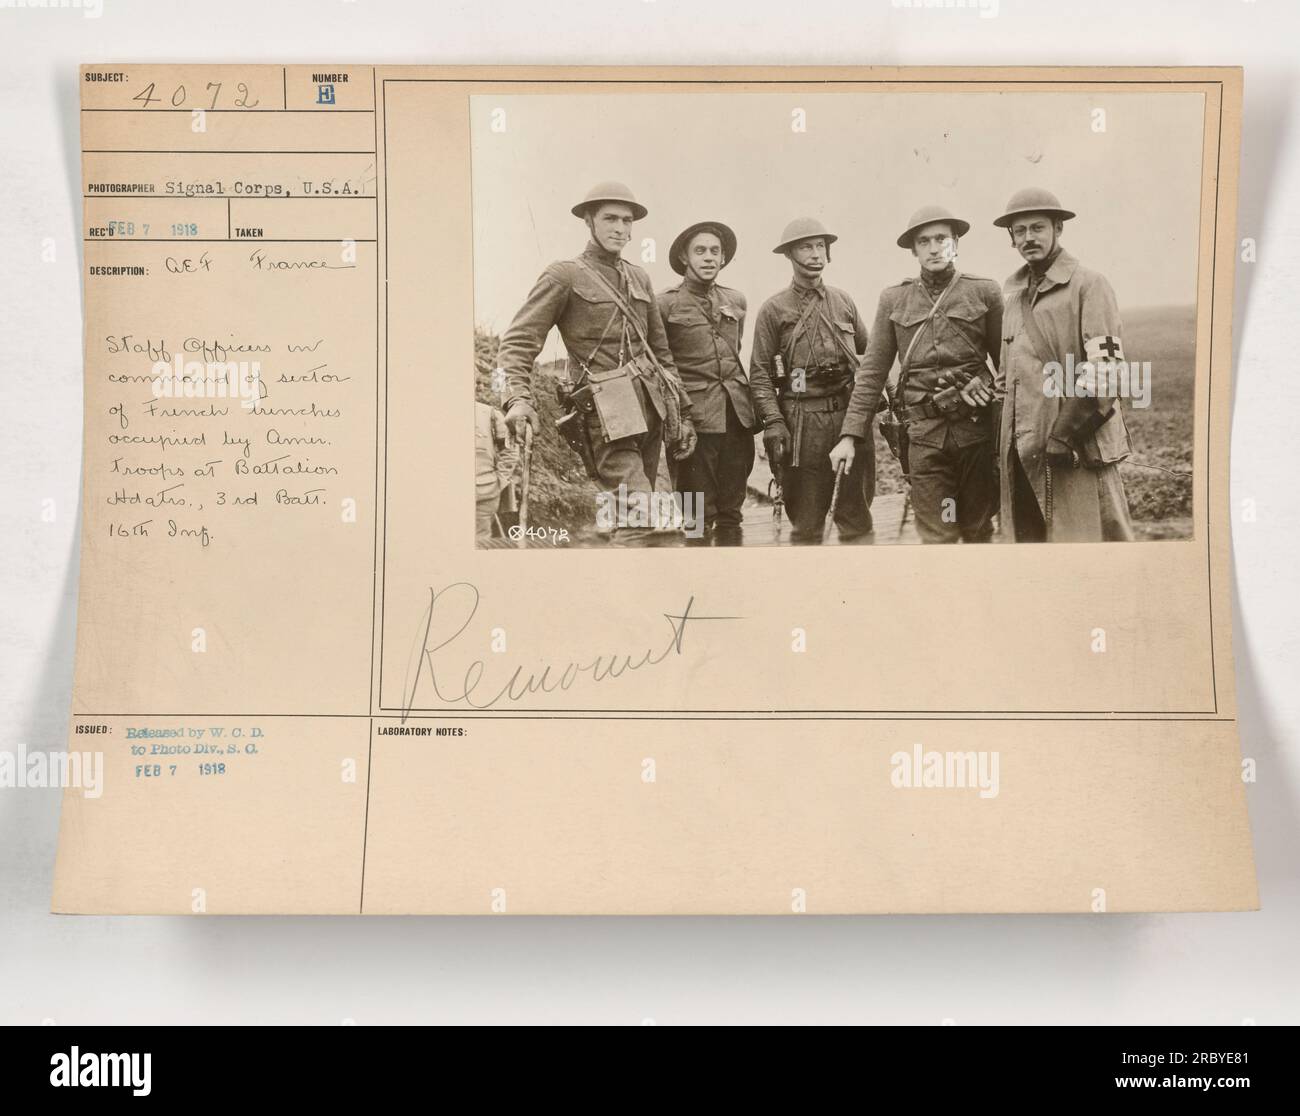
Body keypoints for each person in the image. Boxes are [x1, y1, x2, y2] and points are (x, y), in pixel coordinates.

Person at [496, 181, 697, 544]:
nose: (620, 228)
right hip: (606, 415)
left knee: (650, 519)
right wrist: (517, 398)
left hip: (651, 409)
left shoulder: (639, 276)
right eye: (610, 219)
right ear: (589, 221)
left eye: (627, 220)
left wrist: (684, 412)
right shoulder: (564, 275)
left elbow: (661, 352)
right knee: (639, 518)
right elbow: (517, 342)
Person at [831, 205, 1002, 543]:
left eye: (942, 239)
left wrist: (983, 381)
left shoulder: (985, 291)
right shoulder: (894, 299)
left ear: (956, 243)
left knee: (977, 532)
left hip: (976, 437)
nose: (934, 248)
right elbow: (872, 372)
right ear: (914, 250)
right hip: (924, 438)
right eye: (924, 241)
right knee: (939, 535)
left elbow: (1009, 364)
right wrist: (849, 436)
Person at [992, 187, 1134, 542]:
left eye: (1037, 227)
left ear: (1058, 228)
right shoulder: (1013, 300)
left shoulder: (1090, 285)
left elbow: (1106, 373)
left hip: (1075, 452)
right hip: (1023, 460)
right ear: (1011, 239)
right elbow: (1006, 382)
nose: (1028, 238)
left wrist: (1063, 435)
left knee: (1093, 556)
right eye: (1019, 231)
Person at [748, 218, 873, 544]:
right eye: (806, 246)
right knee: (806, 524)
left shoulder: (843, 301)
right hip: (802, 424)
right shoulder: (774, 310)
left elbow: (872, 356)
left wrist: (888, 403)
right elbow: (760, 373)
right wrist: (774, 422)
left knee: (857, 518)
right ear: (790, 254)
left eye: (820, 246)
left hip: (847, 419)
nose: (816, 254)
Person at [657, 220, 756, 545]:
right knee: (696, 519)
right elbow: (662, 364)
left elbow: (734, 355)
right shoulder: (666, 304)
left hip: (737, 421)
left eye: (715, 251)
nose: (709, 257)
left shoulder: (736, 300)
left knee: (732, 515)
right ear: (685, 257)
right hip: (694, 425)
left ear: (724, 258)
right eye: (700, 251)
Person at [474, 400, 519, 543]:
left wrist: (500, 480)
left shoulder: (489, 414)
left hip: (483, 492)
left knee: (479, 541)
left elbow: (510, 449)